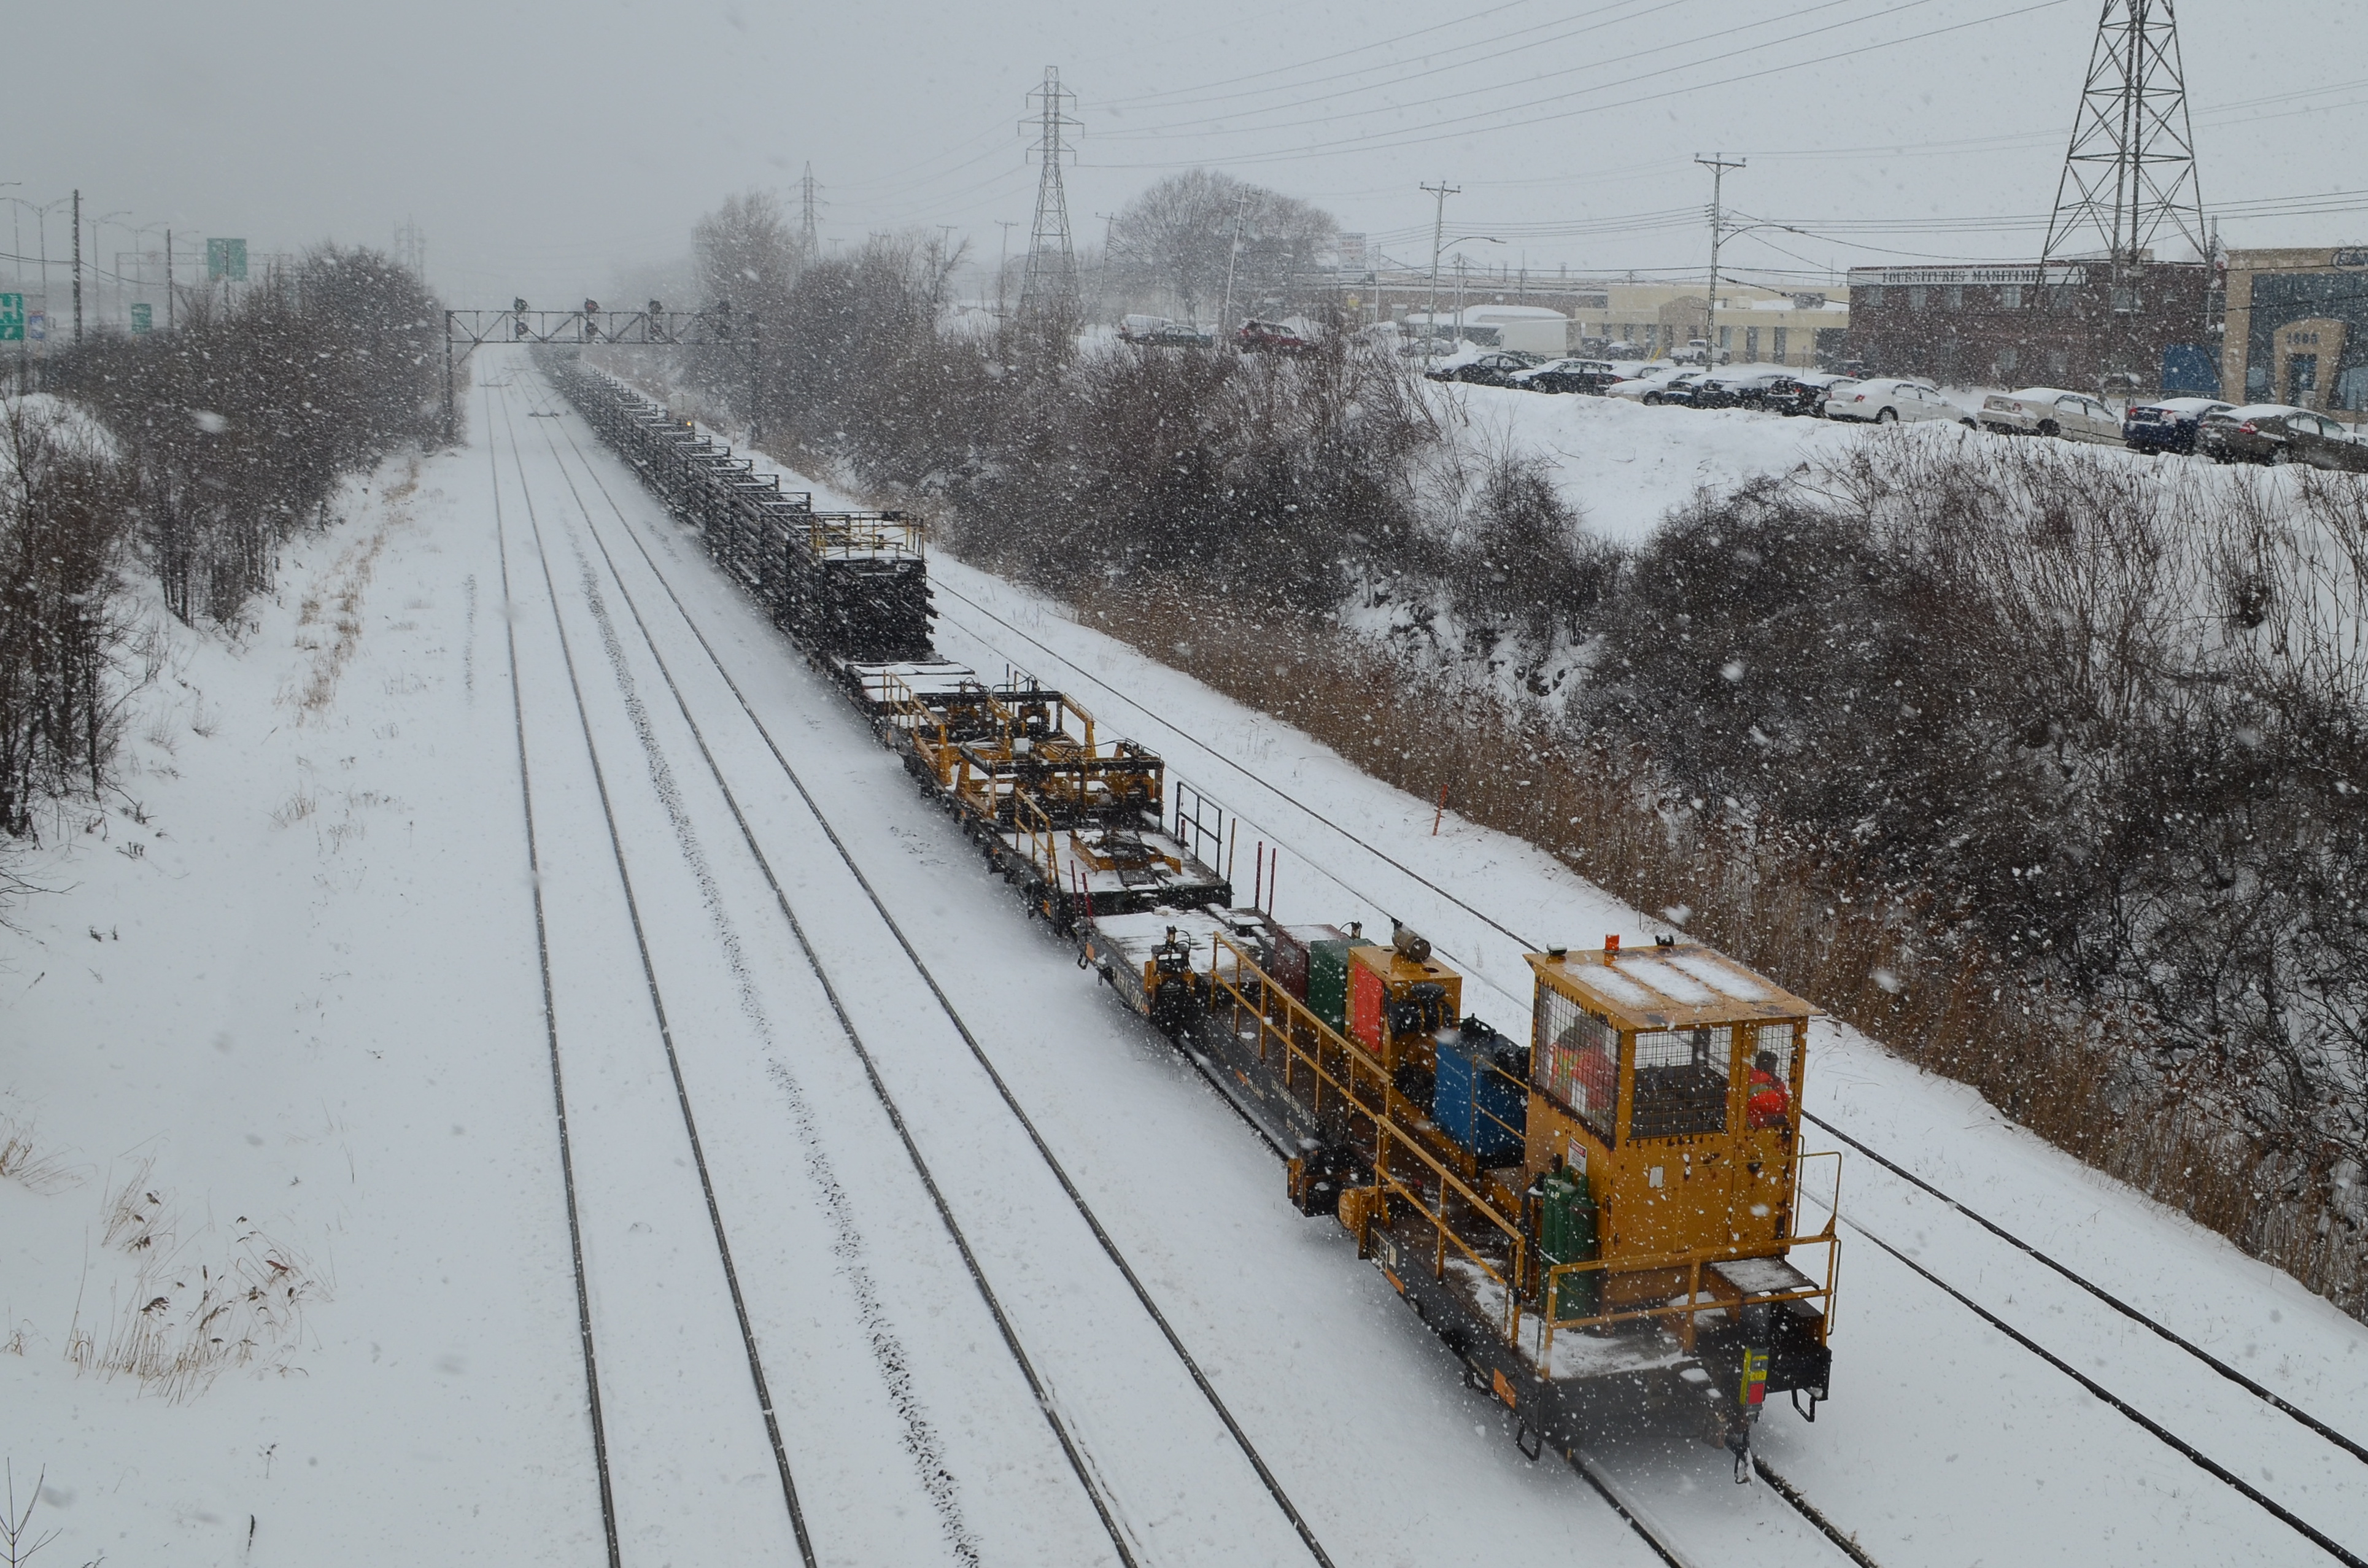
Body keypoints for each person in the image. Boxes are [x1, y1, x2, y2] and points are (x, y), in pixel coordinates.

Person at [1747, 1049, 1791, 1129]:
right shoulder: (1766, 1091)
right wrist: (1780, 1089)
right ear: (1770, 1067)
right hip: (1757, 1130)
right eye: (1774, 1067)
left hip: (1745, 1123)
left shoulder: (1749, 1076)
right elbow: (1786, 1111)